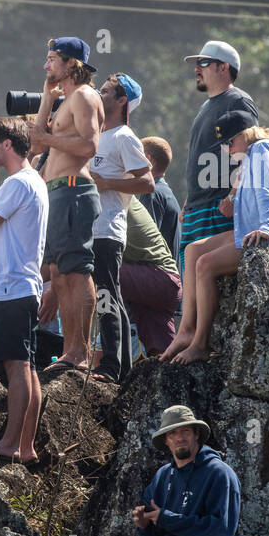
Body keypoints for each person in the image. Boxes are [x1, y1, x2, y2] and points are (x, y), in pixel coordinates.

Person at [162, 112, 269, 364]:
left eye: (230, 142)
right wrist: (232, 198)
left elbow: (268, 192)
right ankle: (186, 330)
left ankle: (200, 344)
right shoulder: (254, 154)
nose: (227, 149)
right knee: (192, 251)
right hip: (257, 228)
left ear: (245, 134)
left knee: (205, 265)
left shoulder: (262, 149)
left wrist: (266, 228)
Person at [84, 405, 240, 536]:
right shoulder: (163, 475)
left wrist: (166, 518)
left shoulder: (219, 473)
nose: (179, 437)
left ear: (196, 434)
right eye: (173, 433)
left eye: (185, 431)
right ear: (166, 440)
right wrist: (144, 526)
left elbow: (222, 530)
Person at [27, 37, 103, 374]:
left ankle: (81, 351)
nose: (46, 65)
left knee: (76, 271)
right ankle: (69, 349)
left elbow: (89, 145)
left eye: (52, 59)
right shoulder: (66, 99)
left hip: (75, 190)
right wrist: (46, 96)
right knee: (58, 273)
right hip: (57, 192)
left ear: (71, 64)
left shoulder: (85, 96)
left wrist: (47, 139)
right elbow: (34, 139)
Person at [0, 115, 47, 465]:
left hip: (10, 287)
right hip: (25, 285)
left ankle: (10, 442)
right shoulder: (35, 180)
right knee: (28, 366)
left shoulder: (17, 183)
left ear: (6, 144)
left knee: (16, 367)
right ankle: (27, 445)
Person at [88, 72, 154, 383]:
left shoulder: (124, 136)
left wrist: (106, 183)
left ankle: (110, 367)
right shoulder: (95, 133)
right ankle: (122, 369)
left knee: (105, 294)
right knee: (106, 293)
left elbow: (147, 181)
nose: (98, 95)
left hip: (107, 229)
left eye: (104, 91)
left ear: (122, 99)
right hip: (89, 228)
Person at [179, 41, 259, 271]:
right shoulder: (207, 106)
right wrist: (189, 200)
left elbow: (250, 151)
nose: (197, 68)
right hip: (198, 206)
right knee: (190, 279)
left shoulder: (238, 101)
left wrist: (234, 196)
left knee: (209, 279)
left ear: (224, 68)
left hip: (218, 206)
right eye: (196, 64)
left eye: (203, 62)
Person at [119, 197, 181, 357]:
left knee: (101, 271)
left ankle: (92, 352)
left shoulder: (112, 197)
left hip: (159, 279)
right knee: (163, 357)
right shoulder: (122, 194)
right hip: (164, 282)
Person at [140, 136, 181, 257]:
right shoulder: (166, 192)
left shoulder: (151, 193)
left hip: (160, 273)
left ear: (148, 159)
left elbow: (146, 243)